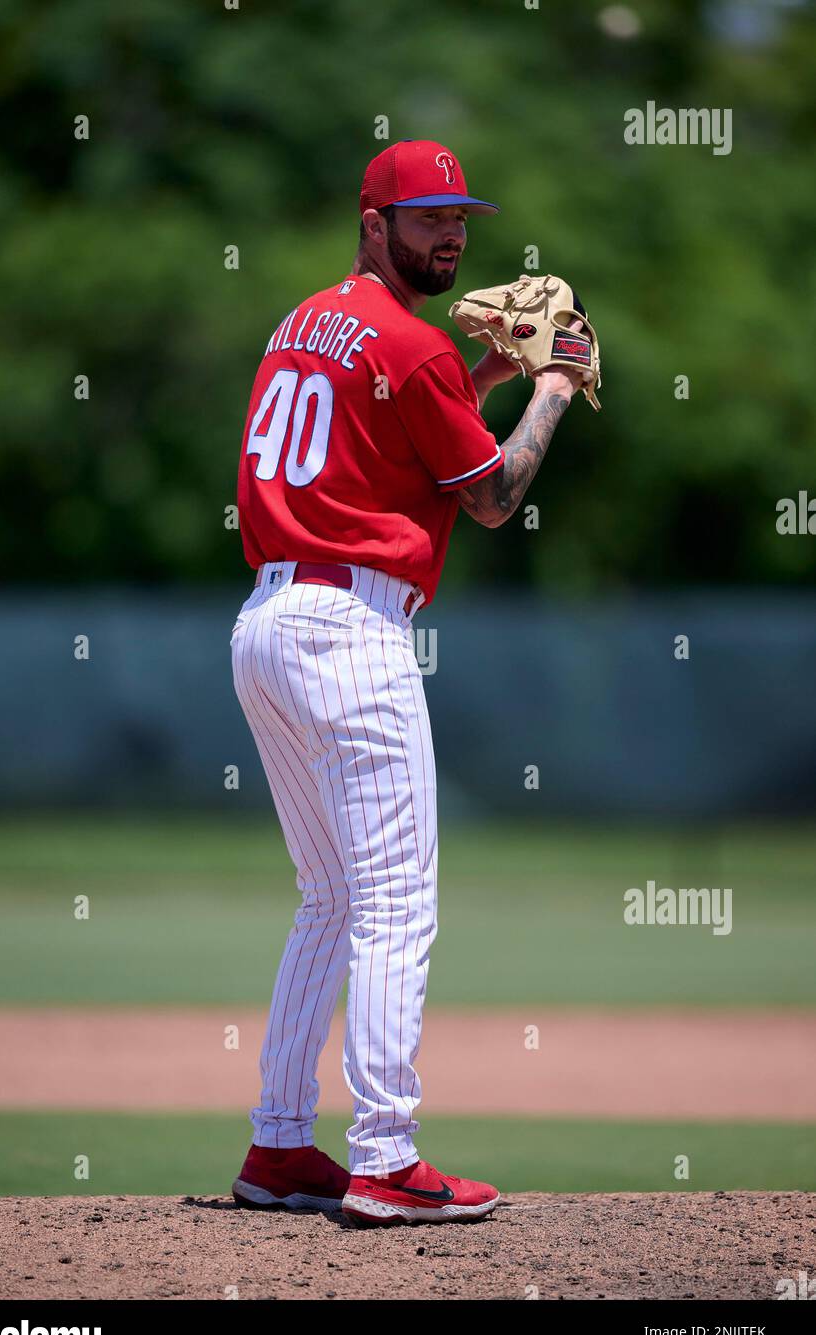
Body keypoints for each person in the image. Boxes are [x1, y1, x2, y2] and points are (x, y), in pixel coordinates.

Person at [229, 139, 585, 1226]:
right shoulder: (410, 344)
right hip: (350, 630)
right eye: (426, 216)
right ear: (372, 220)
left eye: (459, 216)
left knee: (330, 897)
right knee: (392, 900)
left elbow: (394, 440)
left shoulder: (308, 319)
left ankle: (281, 1145)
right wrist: (555, 388)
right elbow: (488, 495)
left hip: (268, 623)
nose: (451, 234)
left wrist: (481, 376)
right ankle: (385, 1156)